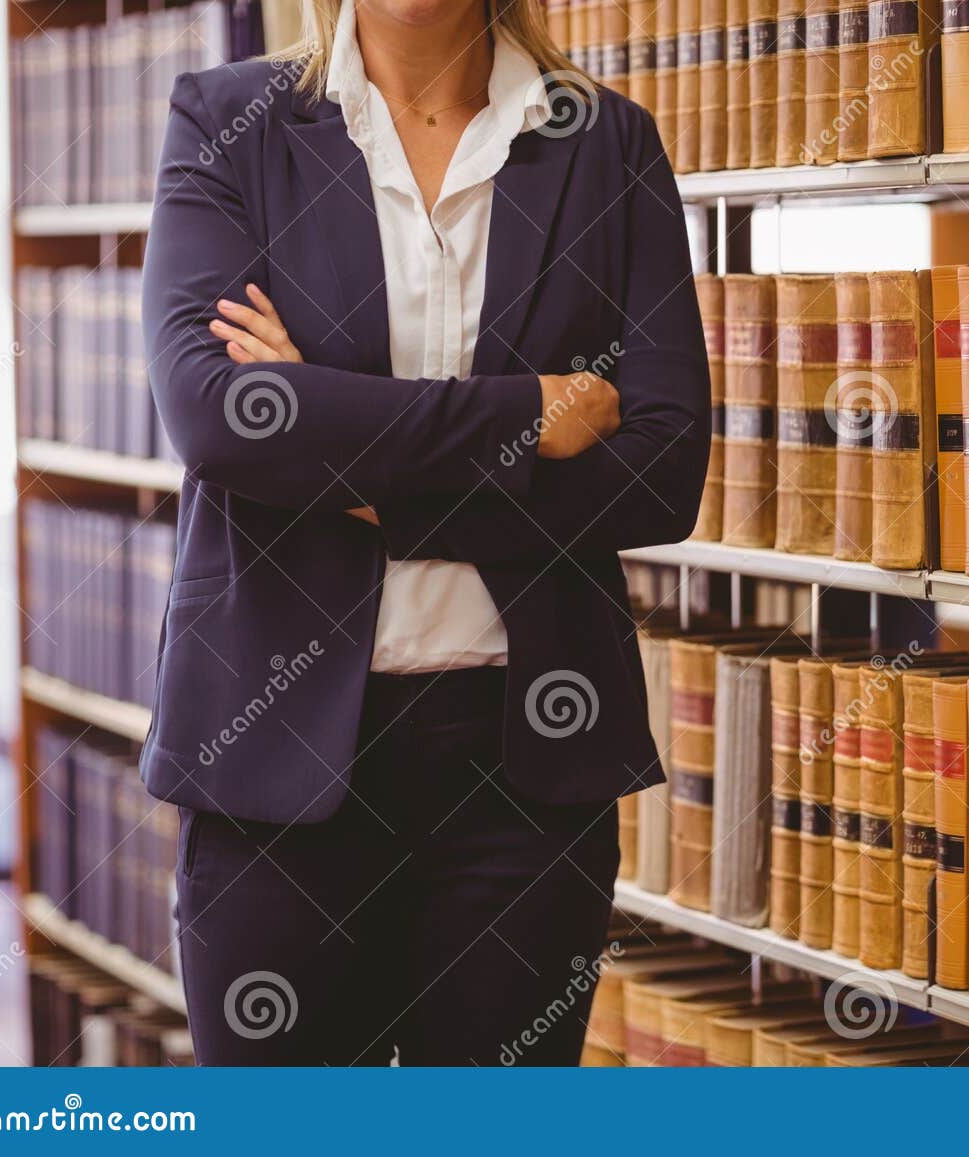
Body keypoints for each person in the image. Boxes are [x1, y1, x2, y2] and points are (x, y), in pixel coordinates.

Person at [139, 0, 709, 1064]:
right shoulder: (231, 123)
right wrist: (528, 413)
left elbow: (661, 472)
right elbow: (220, 417)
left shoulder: (606, 144)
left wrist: (353, 454)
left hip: (524, 771)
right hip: (275, 760)